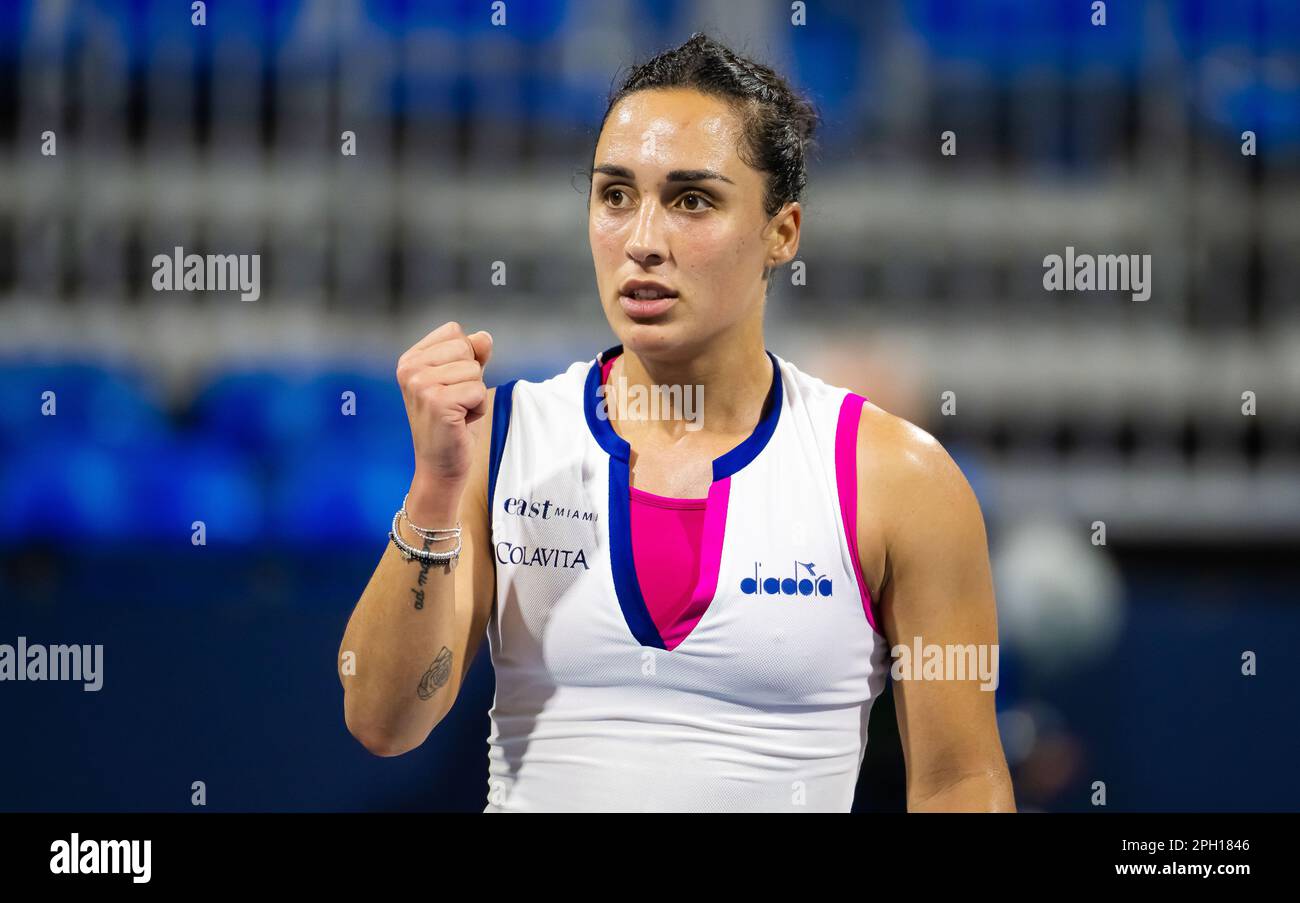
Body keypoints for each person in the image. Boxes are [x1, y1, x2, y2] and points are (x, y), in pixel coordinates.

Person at [339, 33, 1014, 812]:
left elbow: (961, 781)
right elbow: (383, 719)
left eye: (692, 200)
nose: (643, 241)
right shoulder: (501, 441)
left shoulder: (900, 480)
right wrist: (434, 492)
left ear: (782, 232)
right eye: (615, 195)